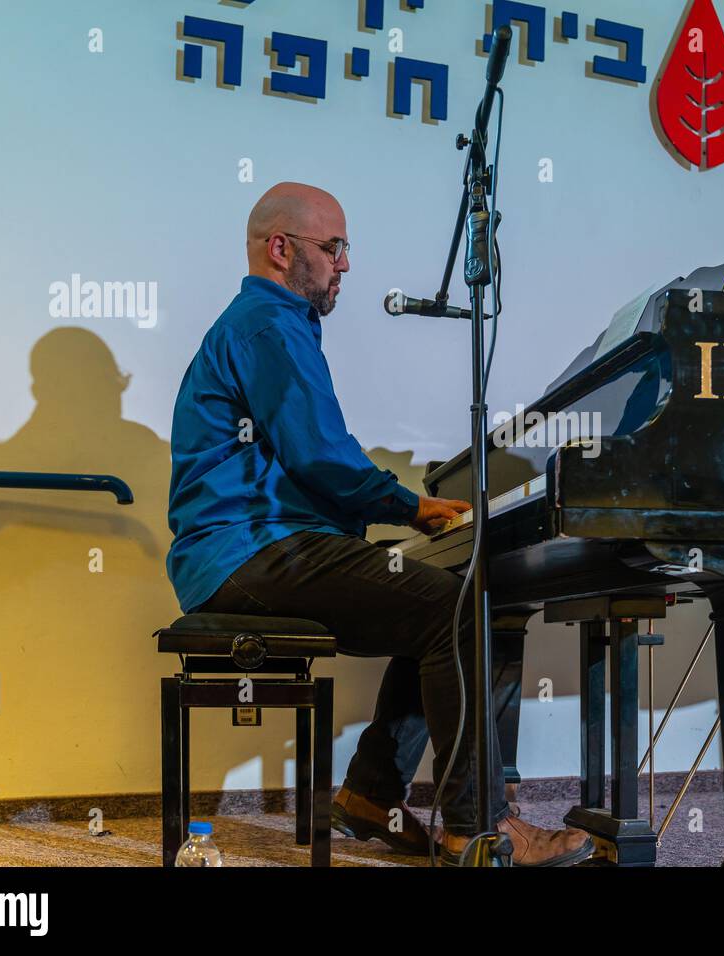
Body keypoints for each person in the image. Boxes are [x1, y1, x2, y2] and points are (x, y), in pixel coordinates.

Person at [165, 182, 594, 866]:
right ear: (281, 249)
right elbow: (320, 456)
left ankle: (371, 794)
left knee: (428, 604)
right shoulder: (267, 325)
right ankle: (478, 829)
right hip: (249, 552)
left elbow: (310, 458)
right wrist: (411, 505)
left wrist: (397, 509)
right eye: (334, 247)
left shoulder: (269, 325)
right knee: (453, 611)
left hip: (253, 550)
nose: (345, 265)